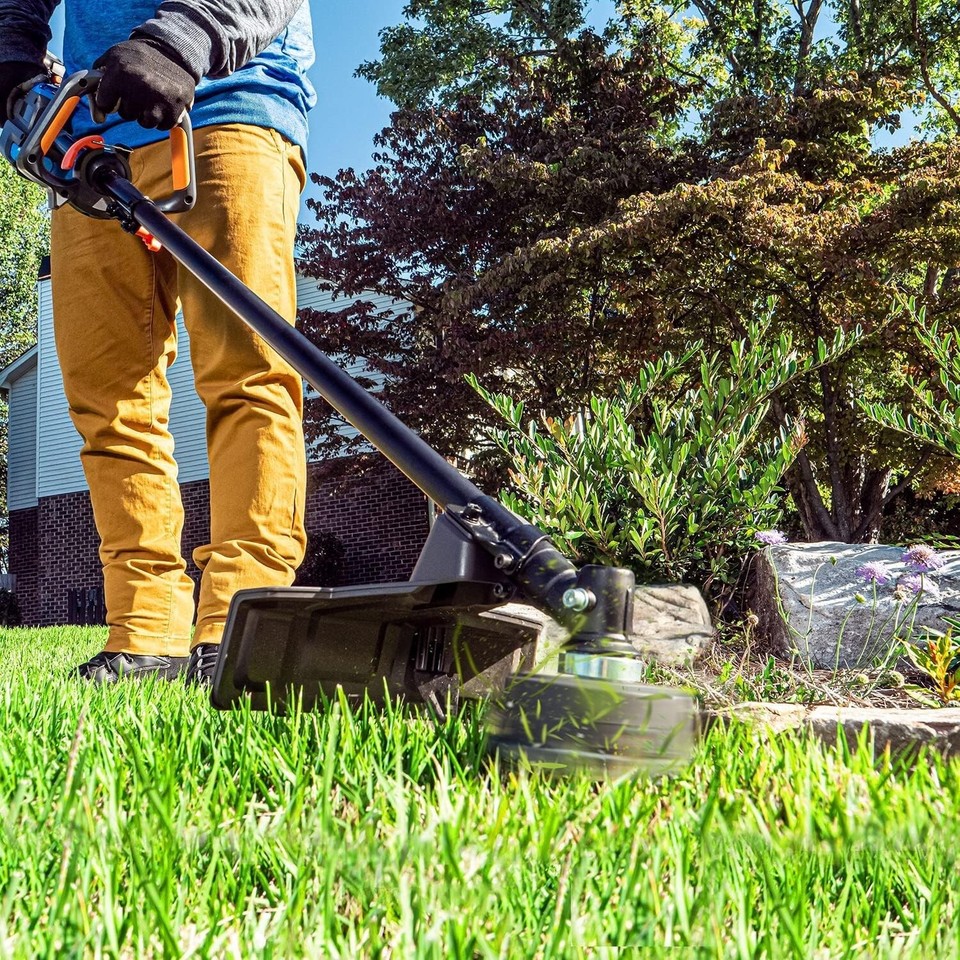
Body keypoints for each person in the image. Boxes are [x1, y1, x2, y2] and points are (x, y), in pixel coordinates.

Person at [0, 1, 316, 683]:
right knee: (108, 402)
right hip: (90, 139)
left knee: (247, 371)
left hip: (226, 101)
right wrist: (12, 60)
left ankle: (246, 619)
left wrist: (185, 38)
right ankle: (146, 631)